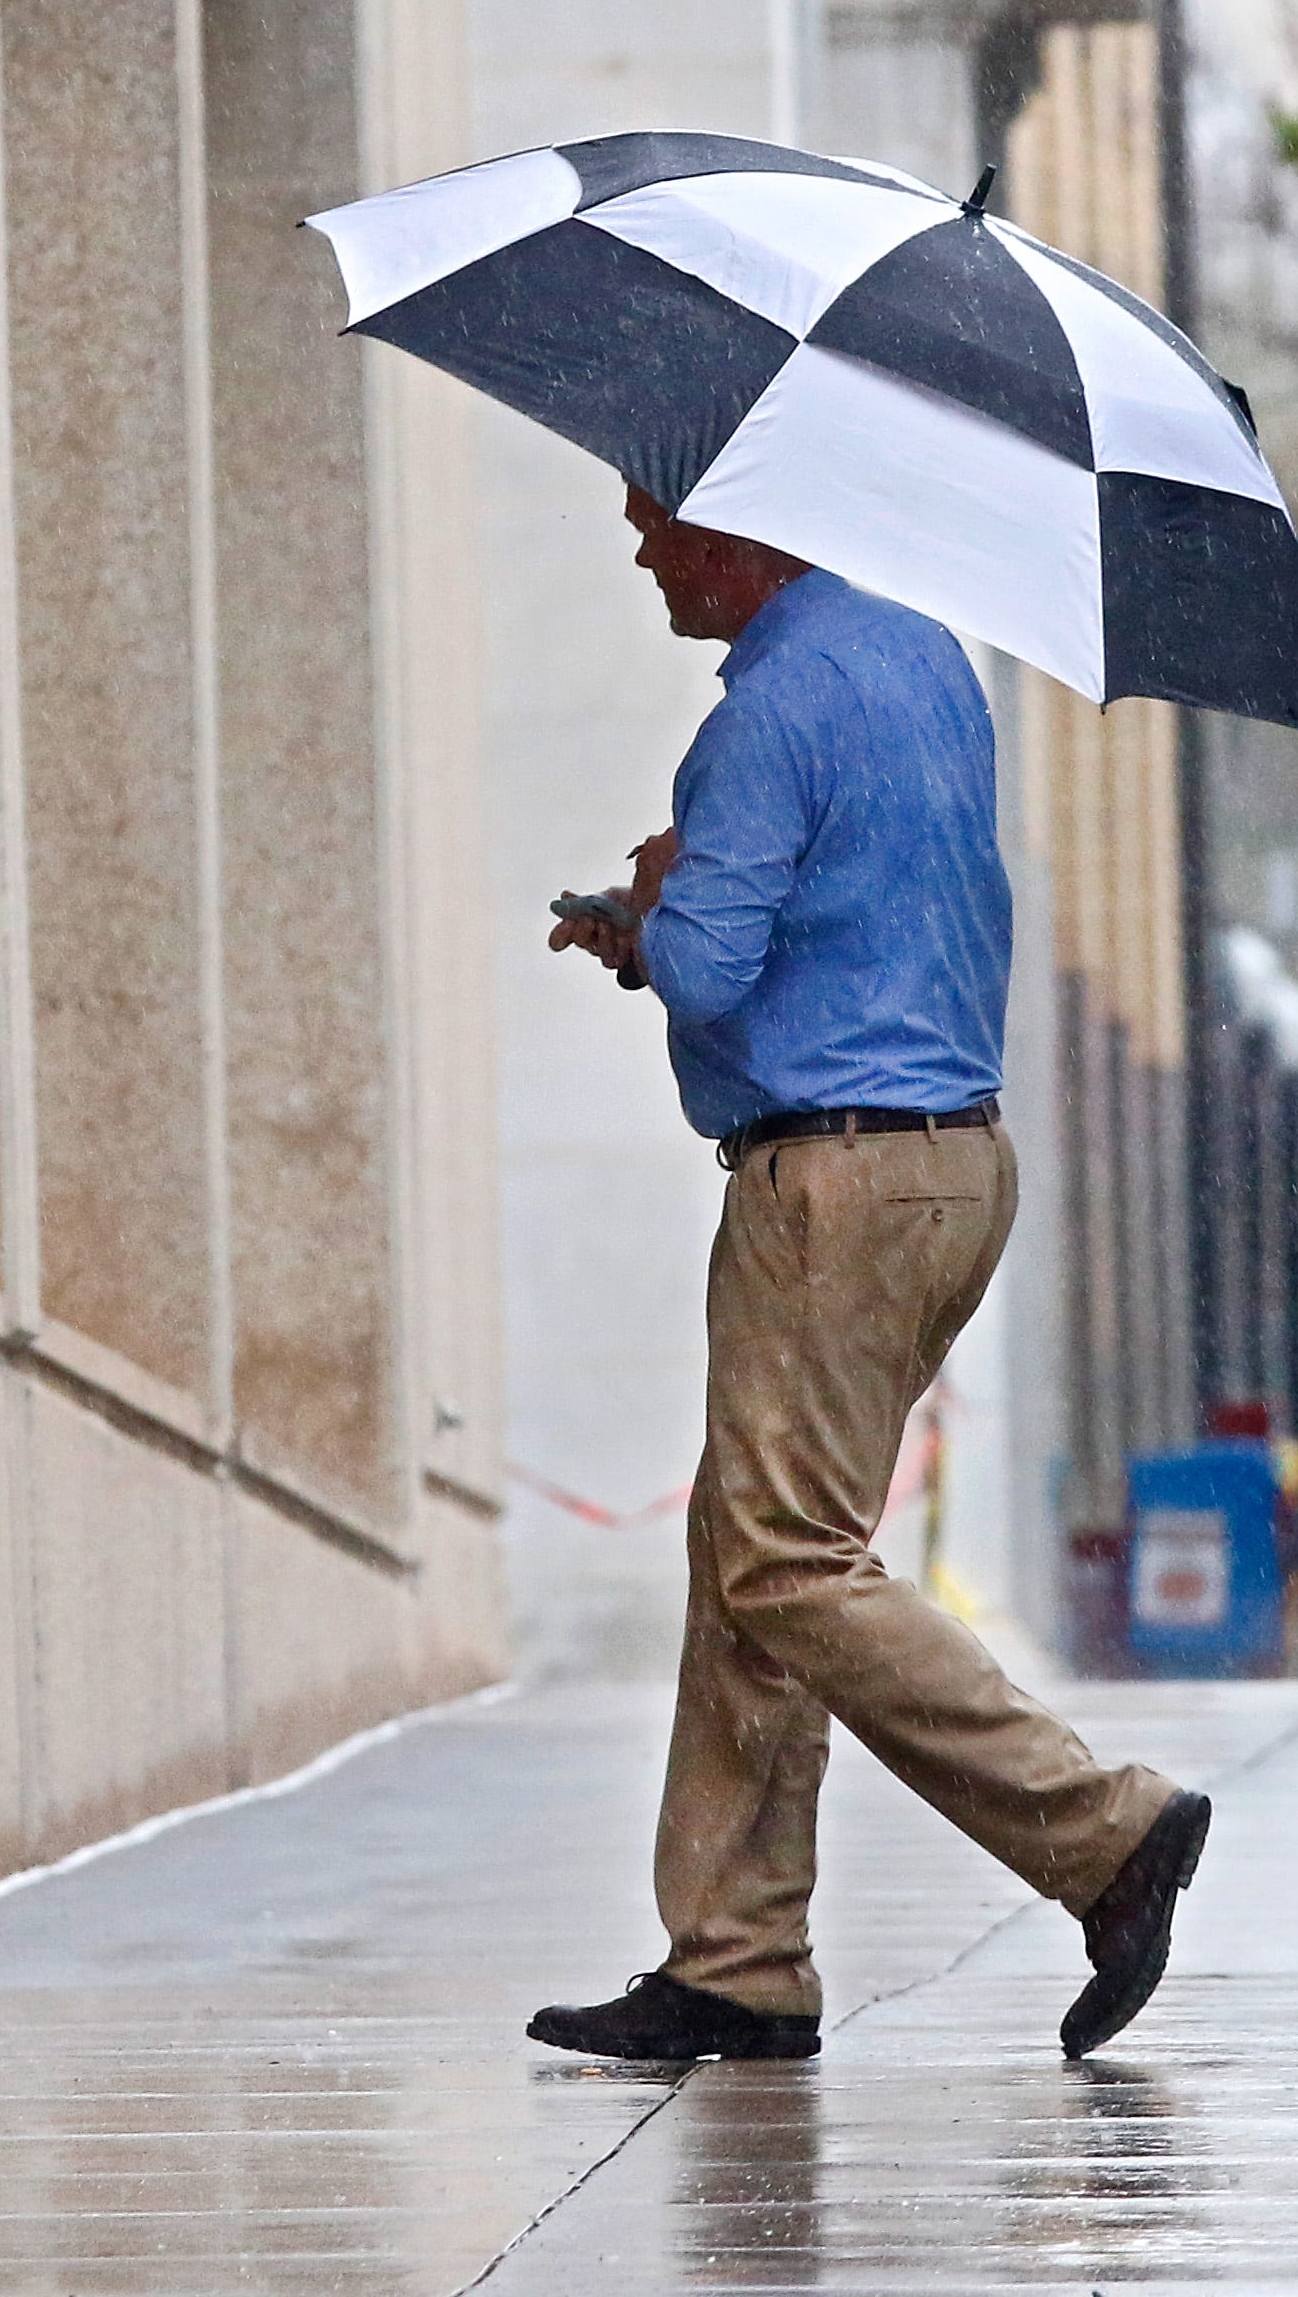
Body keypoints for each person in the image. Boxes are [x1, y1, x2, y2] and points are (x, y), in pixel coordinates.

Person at [525, 489, 1209, 2068]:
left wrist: (651, 900)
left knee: (784, 1561)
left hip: (829, 1178)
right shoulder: (923, 658)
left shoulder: (765, 707)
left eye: (655, 525)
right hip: (951, 1165)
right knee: (750, 1549)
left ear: (742, 528)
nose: (638, 554)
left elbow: (706, 961)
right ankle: (735, 1961)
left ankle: (1104, 1831)